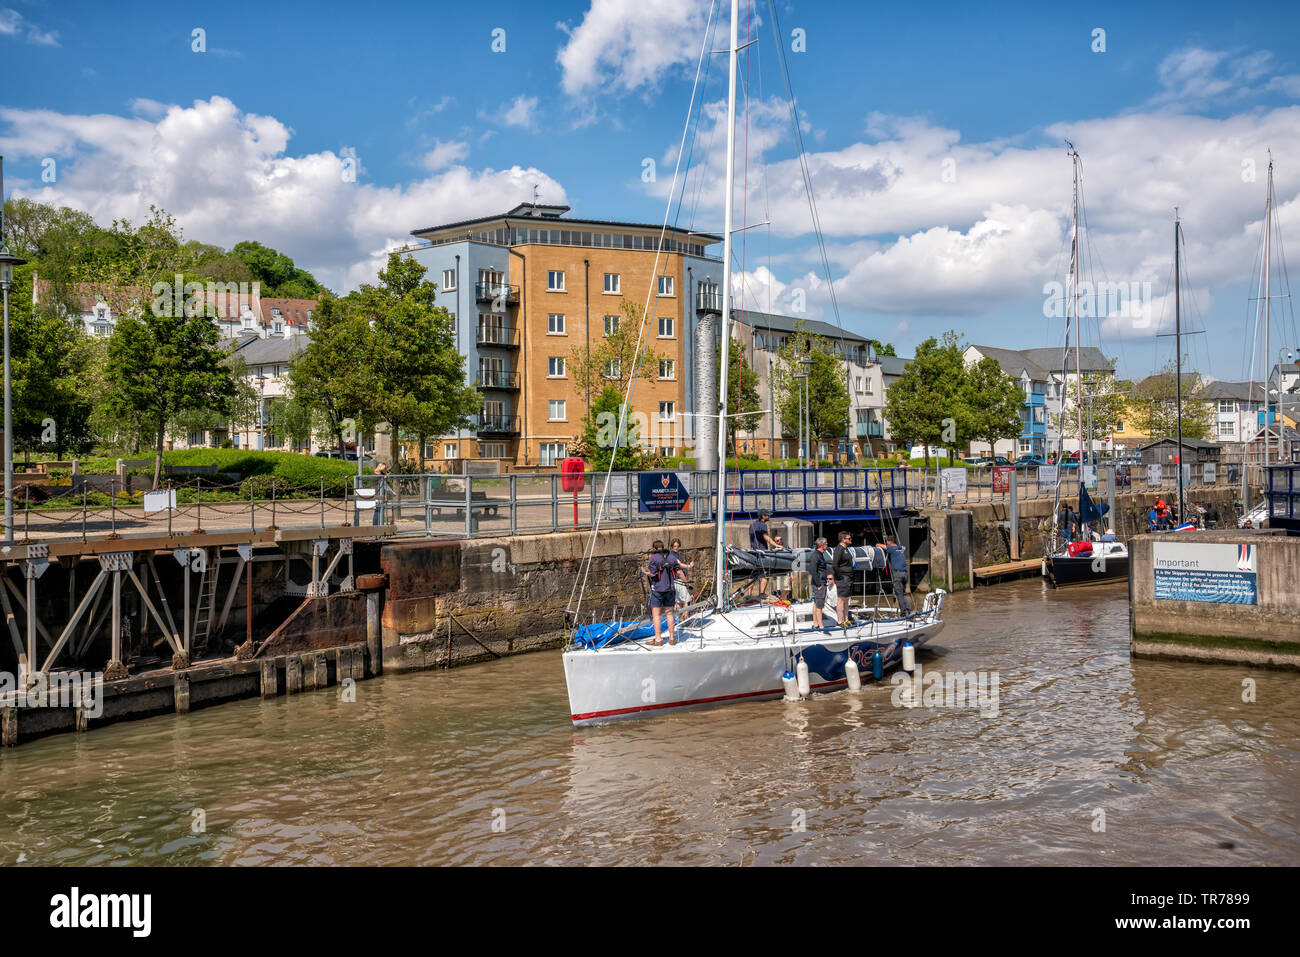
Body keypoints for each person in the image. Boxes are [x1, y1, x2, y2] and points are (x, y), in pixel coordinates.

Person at [644, 540, 681, 646]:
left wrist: (647, 573)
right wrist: (686, 583)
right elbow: (678, 571)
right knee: (670, 613)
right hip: (670, 589)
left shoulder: (653, 558)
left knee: (656, 615)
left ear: (654, 549)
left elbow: (653, 574)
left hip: (658, 590)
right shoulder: (672, 557)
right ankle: (672, 638)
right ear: (664, 547)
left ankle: (658, 640)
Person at [877, 535, 912, 616]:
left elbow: (878, 545)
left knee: (899, 594)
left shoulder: (891, 549)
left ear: (889, 542)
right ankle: (909, 611)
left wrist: (881, 544)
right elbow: (903, 547)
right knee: (902, 594)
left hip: (898, 574)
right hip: (905, 574)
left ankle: (903, 613)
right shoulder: (901, 548)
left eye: (887, 542)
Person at [747, 511, 777, 596]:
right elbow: (765, 536)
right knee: (765, 574)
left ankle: (749, 595)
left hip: (753, 552)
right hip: (762, 552)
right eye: (767, 515)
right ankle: (761, 594)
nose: (769, 516)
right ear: (763, 516)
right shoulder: (763, 525)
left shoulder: (752, 525)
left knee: (752, 575)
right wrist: (776, 545)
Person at [831, 530, 855, 627]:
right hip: (843, 577)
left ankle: (846, 619)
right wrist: (840, 576)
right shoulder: (839, 549)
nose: (850, 540)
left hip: (848, 577)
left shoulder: (846, 549)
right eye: (849, 538)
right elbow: (835, 565)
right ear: (843, 539)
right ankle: (840, 621)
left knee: (846, 599)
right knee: (841, 599)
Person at [809, 537, 833, 630]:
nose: (827, 545)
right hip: (819, 584)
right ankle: (821, 626)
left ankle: (815, 624)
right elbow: (813, 570)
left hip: (820, 583)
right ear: (822, 545)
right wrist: (819, 584)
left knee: (816, 604)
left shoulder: (819, 554)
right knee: (819, 605)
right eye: (826, 544)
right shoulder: (816, 555)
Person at [669, 538, 694, 610]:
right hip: (678, 580)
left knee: (679, 601)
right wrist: (689, 566)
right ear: (671, 546)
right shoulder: (672, 555)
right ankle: (686, 618)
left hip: (676, 580)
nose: (676, 548)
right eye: (674, 546)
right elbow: (679, 565)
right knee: (686, 600)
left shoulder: (675, 554)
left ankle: (678, 618)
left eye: (677, 546)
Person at [770, 534, 791, 601]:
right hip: (780, 572)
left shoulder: (786, 549)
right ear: (775, 543)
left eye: (781, 539)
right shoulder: (776, 551)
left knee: (787, 590)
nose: (780, 541)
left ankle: (782, 601)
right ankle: (782, 602)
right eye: (777, 541)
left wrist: (791, 573)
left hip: (786, 572)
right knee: (784, 590)